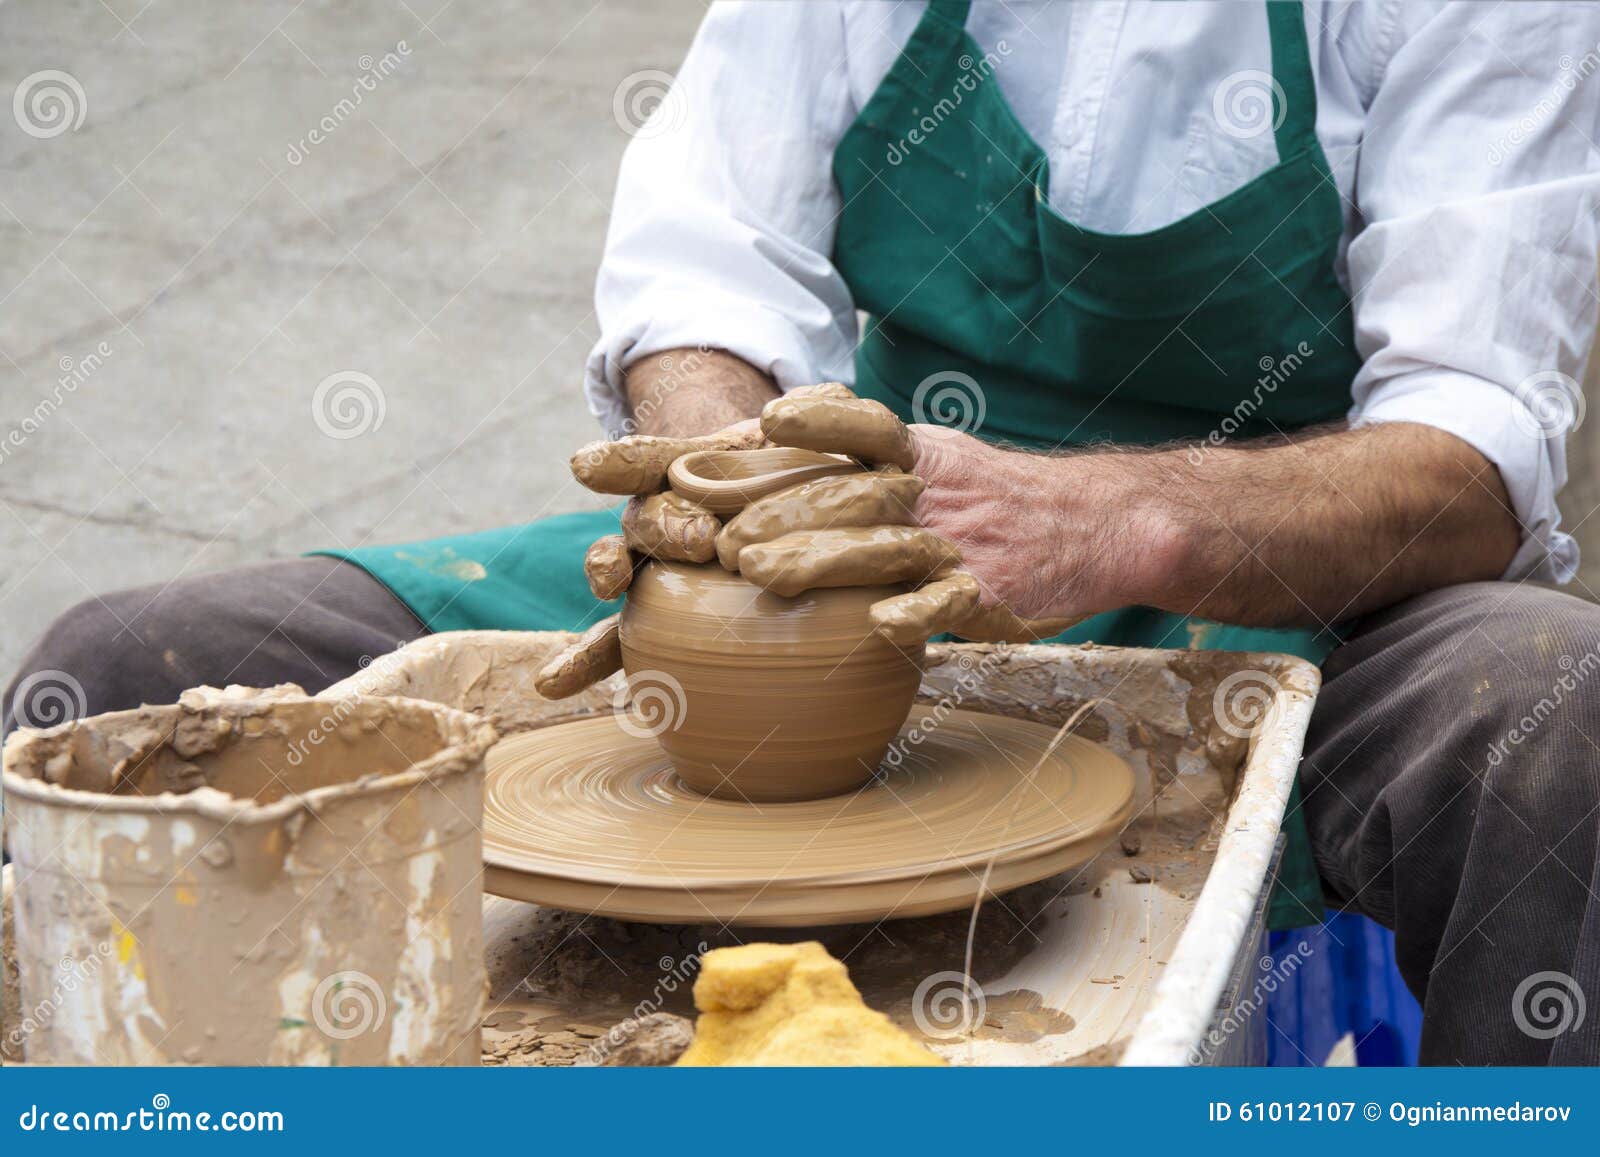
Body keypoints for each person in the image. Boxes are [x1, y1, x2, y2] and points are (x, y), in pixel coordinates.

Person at [8, 2, 1600, 1064]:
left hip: (1281, 580)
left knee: (1554, 712)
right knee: (142, 671)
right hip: (870, 547)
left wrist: (1122, 519)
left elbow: (1470, 443)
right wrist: (732, 481)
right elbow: (710, 246)